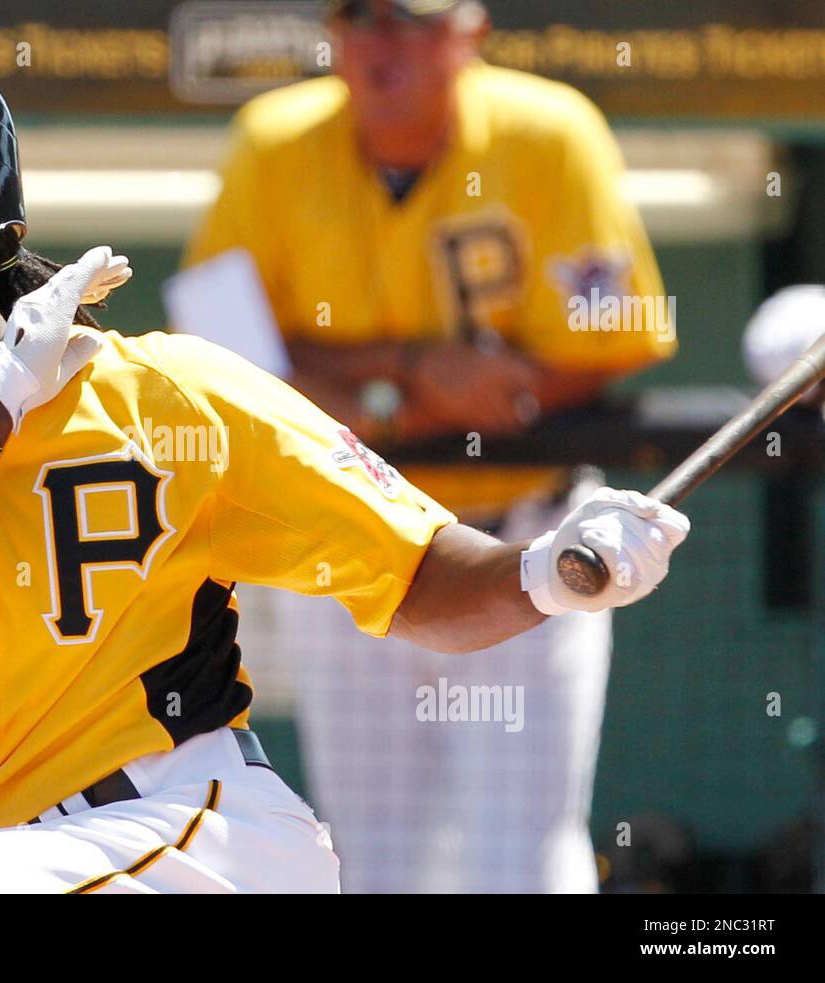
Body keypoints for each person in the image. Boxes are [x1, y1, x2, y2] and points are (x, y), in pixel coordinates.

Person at [0, 38, 688, 894]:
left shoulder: (171, 392)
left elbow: (422, 577)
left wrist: (549, 570)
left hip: (196, 837)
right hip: (14, 856)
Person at [182, 0, 675, 892]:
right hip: (347, 541)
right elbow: (219, 335)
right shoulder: (275, 136)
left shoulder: (547, 131)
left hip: (519, 538)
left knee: (519, 860)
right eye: (361, 17)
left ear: (468, 32)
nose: (383, 42)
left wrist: (479, 390)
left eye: (412, 19)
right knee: (370, 857)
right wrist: (410, 373)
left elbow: (622, 330)